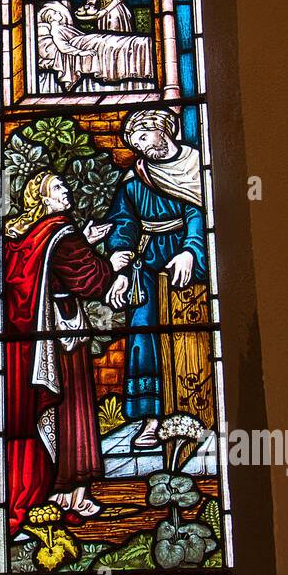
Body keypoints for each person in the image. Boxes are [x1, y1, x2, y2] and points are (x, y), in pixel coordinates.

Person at [4, 171, 113, 535]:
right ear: (43, 200)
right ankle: (75, 493)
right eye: (58, 189)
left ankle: (59, 492)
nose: (67, 192)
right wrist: (116, 265)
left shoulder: (27, 237)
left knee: (60, 413)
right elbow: (90, 279)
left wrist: (86, 240)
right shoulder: (61, 234)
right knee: (74, 409)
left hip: (44, 336)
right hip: (63, 337)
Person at [104, 107, 206, 449]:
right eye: (135, 143)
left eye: (144, 137)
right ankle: (150, 420)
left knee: (192, 327)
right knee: (142, 331)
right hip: (145, 263)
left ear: (162, 129)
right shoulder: (137, 179)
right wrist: (119, 264)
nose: (142, 148)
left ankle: (199, 411)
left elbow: (197, 213)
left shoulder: (195, 166)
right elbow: (124, 222)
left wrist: (191, 251)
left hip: (186, 256)